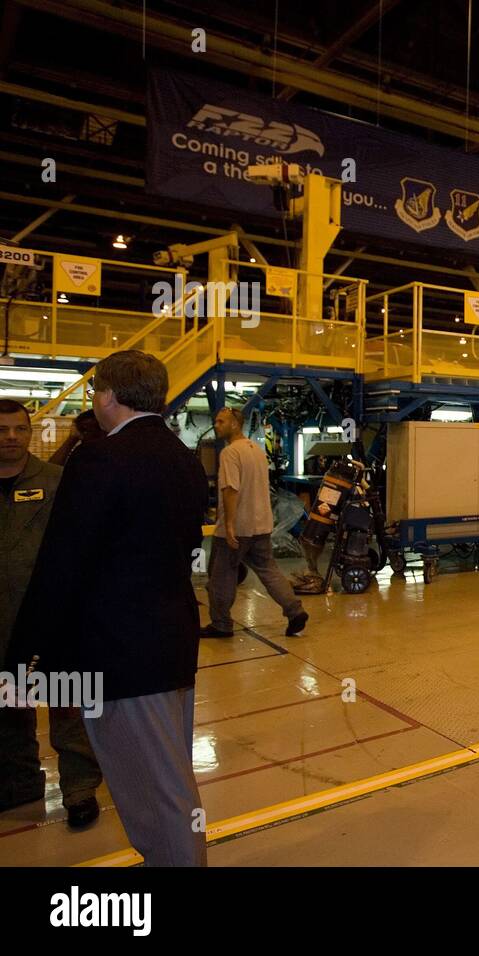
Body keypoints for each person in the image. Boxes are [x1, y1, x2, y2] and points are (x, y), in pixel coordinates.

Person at [11, 350, 210, 865]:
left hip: (118, 657)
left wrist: (25, 655)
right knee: (169, 773)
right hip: (170, 646)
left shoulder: (99, 459)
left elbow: (63, 564)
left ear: (107, 395)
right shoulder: (183, 457)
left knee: (151, 788)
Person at [0, 400, 103, 827]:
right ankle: (19, 785)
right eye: (2, 430)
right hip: (2, 620)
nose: (10, 438)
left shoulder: (58, 482)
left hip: (52, 616)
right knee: (8, 711)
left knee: (68, 708)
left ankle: (80, 790)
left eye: (18, 430)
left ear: (30, 433)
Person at [202, 407, 308, 638]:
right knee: (269, 570)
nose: (216, 425)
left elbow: (231, 490)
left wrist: (228, 525)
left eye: (221, 422)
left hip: (238, 527)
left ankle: (221, 624)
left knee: (222, 576)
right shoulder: (257, 450)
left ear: (234, 424)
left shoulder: (230, 453)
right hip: (261, 524)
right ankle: (294, 610)